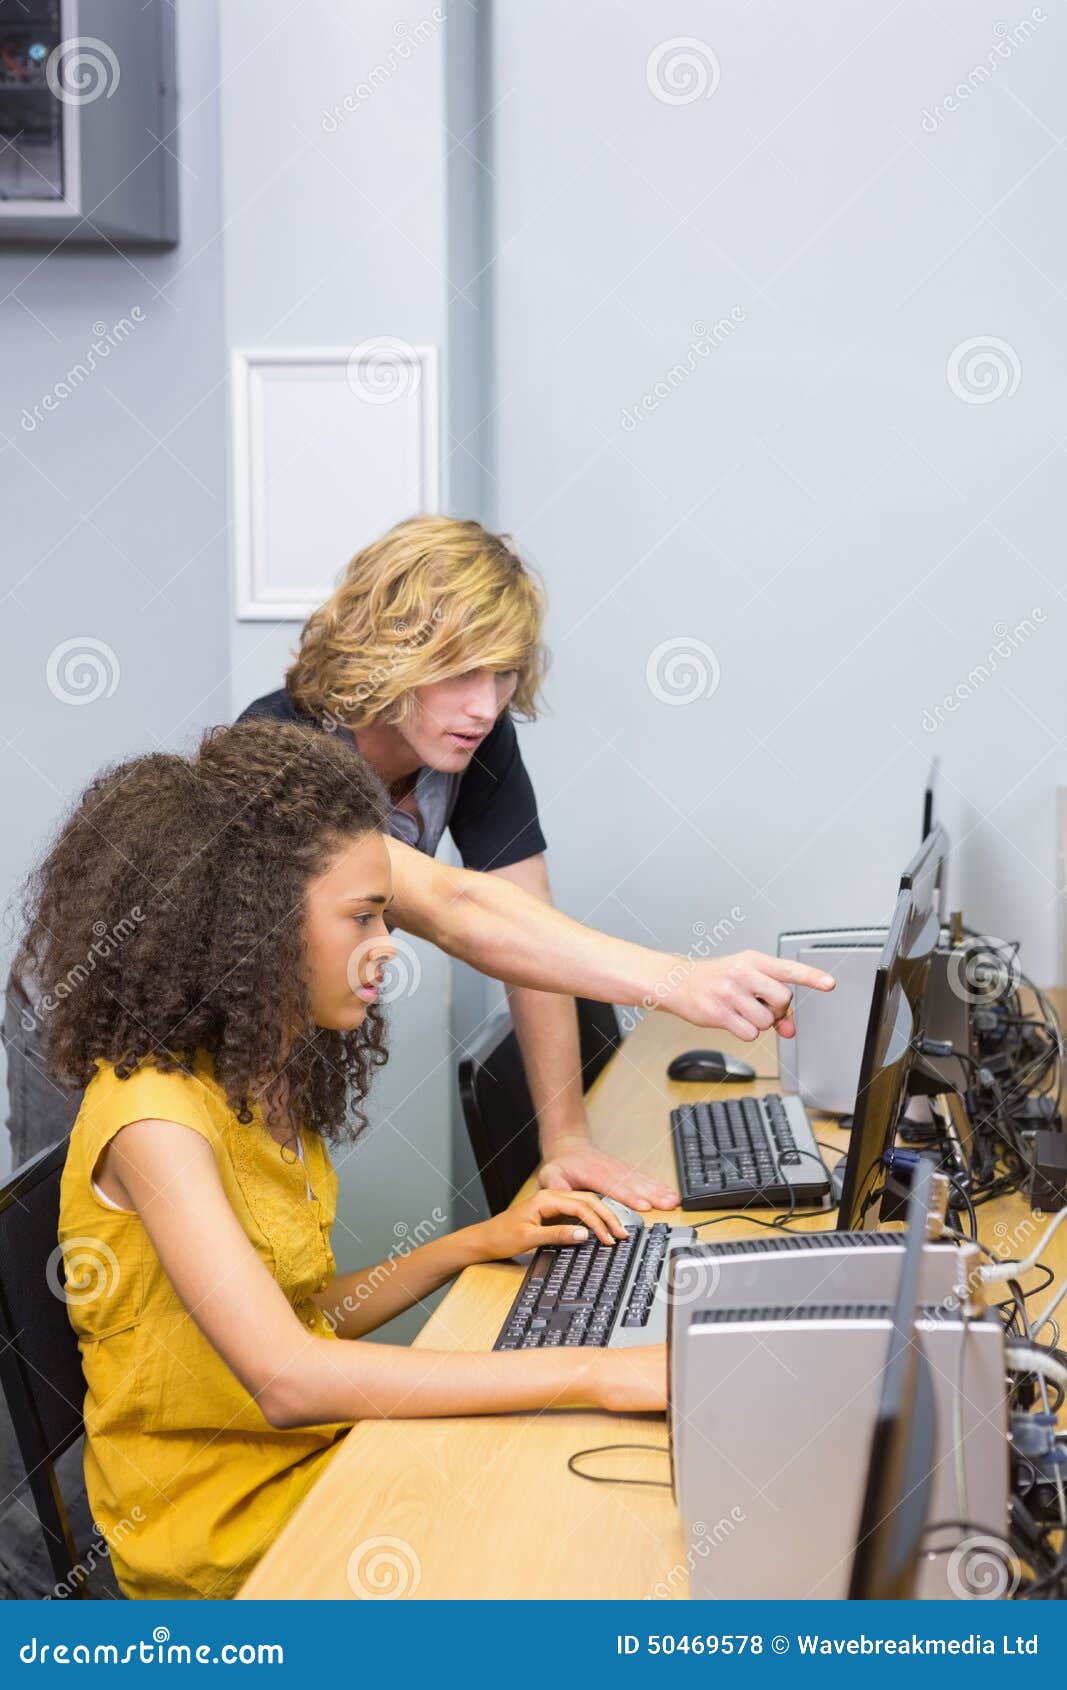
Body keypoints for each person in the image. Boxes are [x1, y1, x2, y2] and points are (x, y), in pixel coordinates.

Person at [31, 721, 665, 1599]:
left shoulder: (259, 1076)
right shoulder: (154, 1122)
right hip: (222, 1543)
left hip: (307, 1467)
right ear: (251, 928)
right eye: (362, 917)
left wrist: (469, 1246)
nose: (385, 945)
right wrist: (595, 1370)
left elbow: (293, 1314)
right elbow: (287, 1378)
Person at [236, 513, 829, 1208]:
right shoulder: (281, 754)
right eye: (458, 672)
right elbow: (455, 912)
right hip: (204, 1065)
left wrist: (567, 1141)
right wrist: (676, 979)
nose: (485, 706)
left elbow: (525, 922)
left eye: (503, 673)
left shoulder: (470, 737)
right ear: (385, 653)